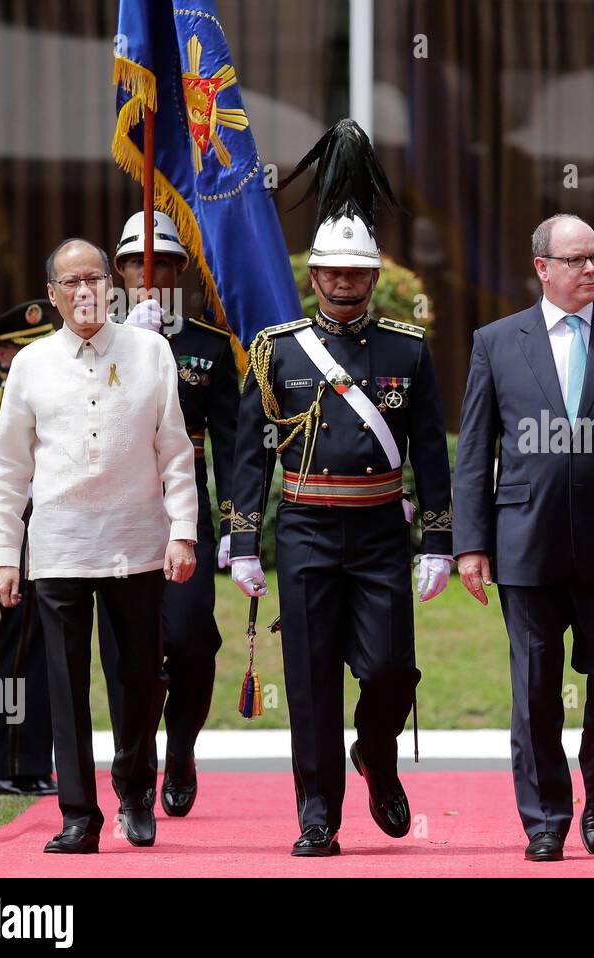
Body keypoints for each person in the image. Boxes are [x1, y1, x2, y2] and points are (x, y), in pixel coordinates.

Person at [229, 120, 454, 858]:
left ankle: (377, 754)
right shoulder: (277, 351)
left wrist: (440, 541)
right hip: (305, 532)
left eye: (357, 275)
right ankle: (317, 814)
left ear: (373, 278)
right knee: (312, 678)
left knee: (391, 669)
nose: (345, 285)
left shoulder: (406, 350)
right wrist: (241, 538)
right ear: (315, 276)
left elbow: (429, 448)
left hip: (382, 533)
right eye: (334, 274)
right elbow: (253, 448)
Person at [452, 213, 594, 861]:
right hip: (525, 543)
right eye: (577, 259)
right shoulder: (497, 344)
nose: (591, 269)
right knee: (533, 685)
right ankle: (546, 820)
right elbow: (474, 451)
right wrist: (469, 542)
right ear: (542, 269)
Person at [0, 238, 198, 854]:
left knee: (138, 681)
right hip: (58, 546)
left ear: (112, 286)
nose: (84, 292)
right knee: (64, 684)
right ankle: (78, 814)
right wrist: (8, 556)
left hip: (136, 544)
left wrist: (182, 531)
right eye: (70, 282)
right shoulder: (31, 365)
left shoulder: (151, 351)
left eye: (95, 279)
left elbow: (176, 452)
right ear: (52, 294)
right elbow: (9, 470)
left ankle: (135, 789)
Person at [96, 211, 239, 818]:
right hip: (114, 520)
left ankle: (180, 746)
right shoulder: (95, 343)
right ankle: (137, 768)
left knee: (188, 643)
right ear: (121, 272)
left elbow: (230, 443)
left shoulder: (206, 346)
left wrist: (238, 526)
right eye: (136, 264)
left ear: (179, 271)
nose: (148, 275)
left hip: (183, 520)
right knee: (126, 654)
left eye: (161, 265)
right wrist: (129, 343)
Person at [0, 299, 56, 797]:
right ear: (3, 353)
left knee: (44, 654)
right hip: (21, 528)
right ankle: (9, 764)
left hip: (51, 525)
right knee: (20, 653)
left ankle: (34, 762)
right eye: (21, 350)